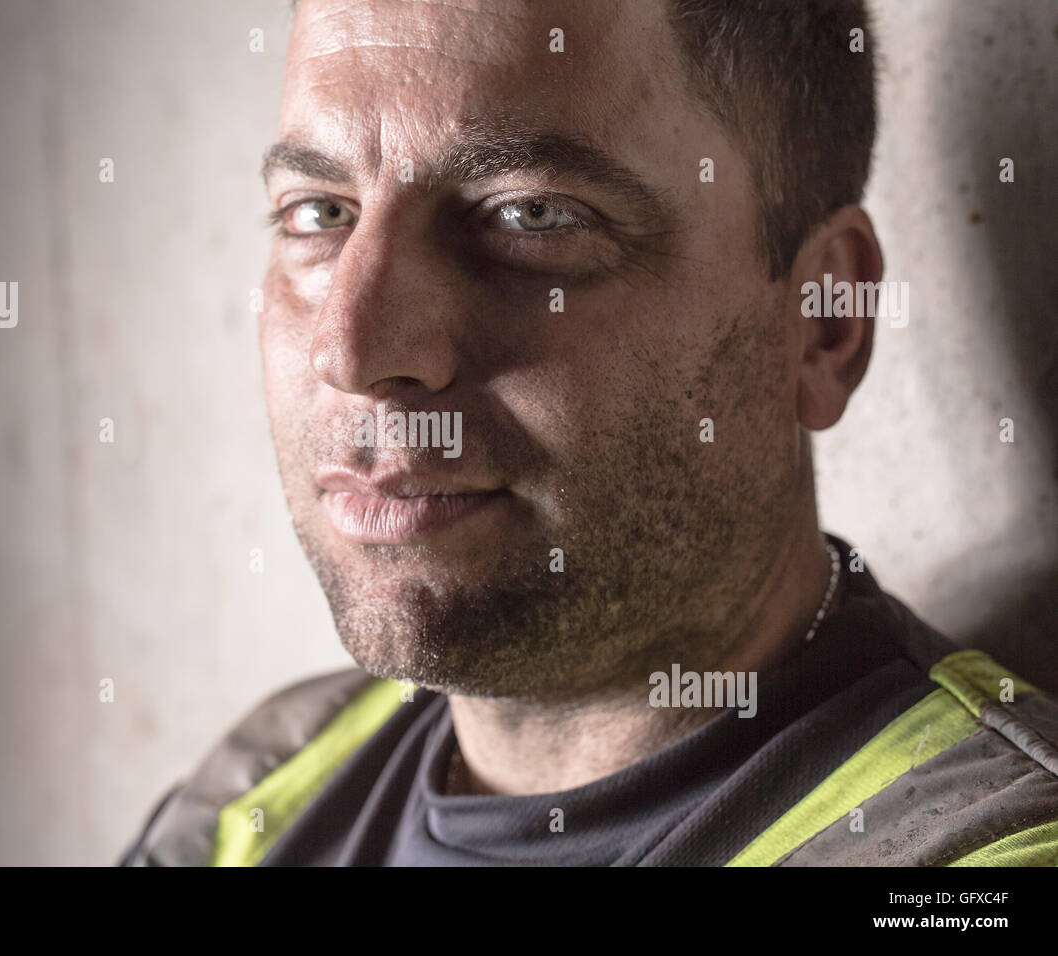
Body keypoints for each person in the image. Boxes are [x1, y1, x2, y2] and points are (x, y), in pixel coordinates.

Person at [123, 0, 1058, 866]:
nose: (354, 350)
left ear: (822, 321)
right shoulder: (259, 794)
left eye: (529, 214)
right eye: (320, 213)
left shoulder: (970, 860)